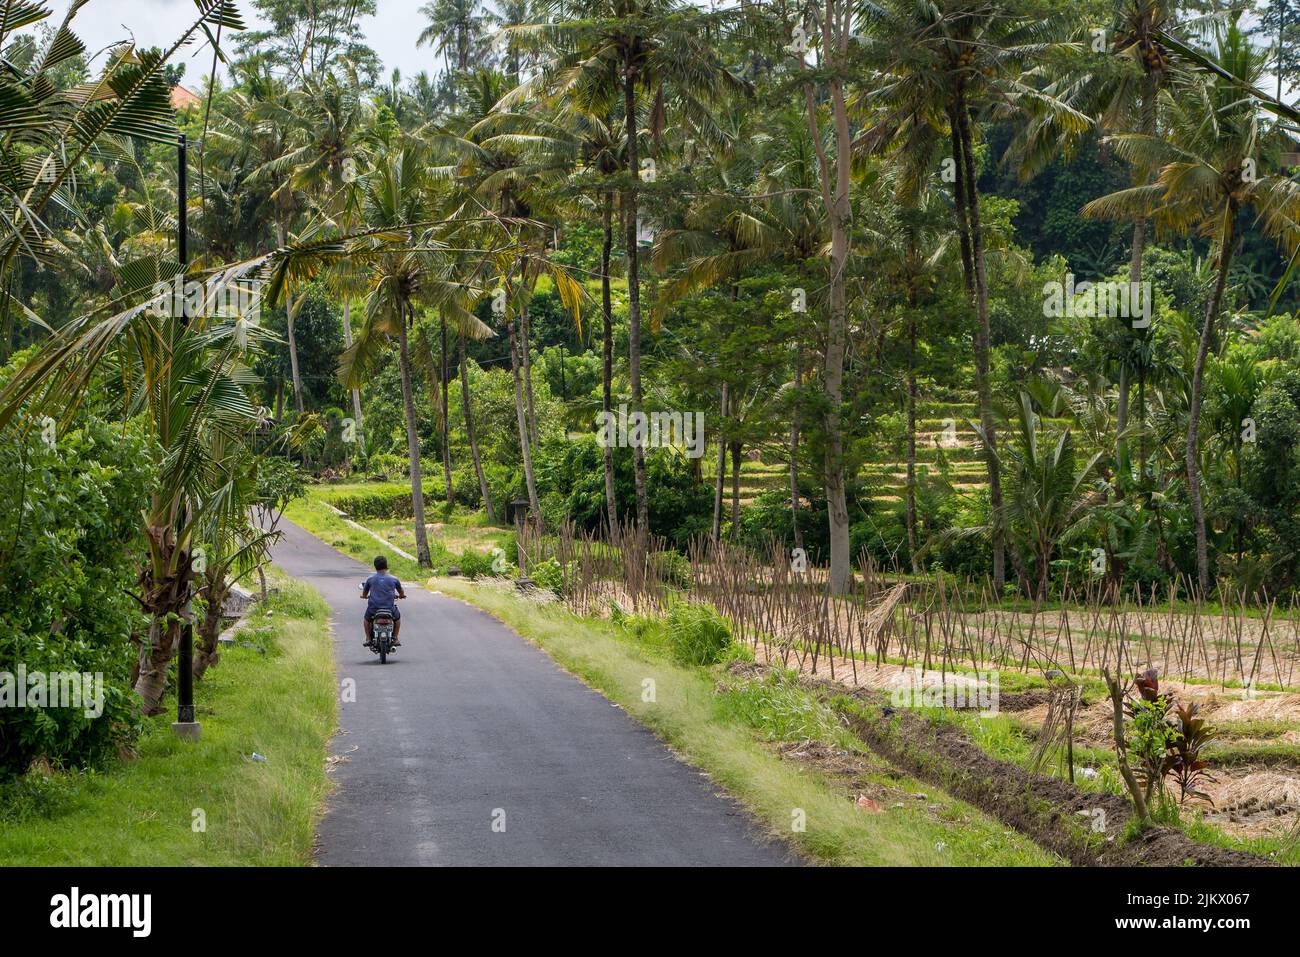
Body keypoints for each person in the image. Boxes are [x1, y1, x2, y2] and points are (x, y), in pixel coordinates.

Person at [361, 555, 406, 646]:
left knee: (366, 620)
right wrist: (401, 596)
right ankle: (395, 638)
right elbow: (401, 591)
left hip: (373, 609)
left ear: (375, 566)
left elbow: (364, 593)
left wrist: (364, 596)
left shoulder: (370, 579)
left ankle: (368, 639)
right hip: (389, 609)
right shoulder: (394, 579)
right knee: (397, 618)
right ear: (386, 565)